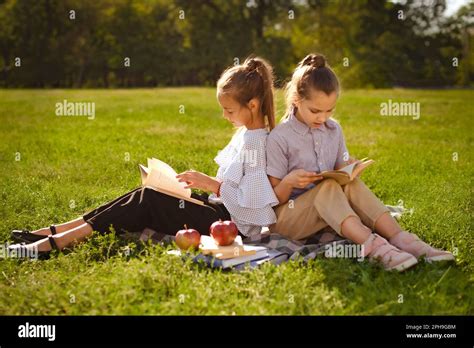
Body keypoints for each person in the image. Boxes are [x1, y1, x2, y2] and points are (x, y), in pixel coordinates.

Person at [9, 56, 279, 258]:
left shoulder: (257, 143)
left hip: (231, 225)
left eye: (229, 110)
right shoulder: (245, 134)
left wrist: (212, 185)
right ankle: (57, 231)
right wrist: (205, 189)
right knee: (147, 191)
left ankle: (55, 243)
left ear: (252, 105)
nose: (224, 116)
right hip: (217, 208)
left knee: (148, 200)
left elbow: (254, 210)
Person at [265, 53, 454, 272]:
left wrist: (348, 169)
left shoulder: (333, 129)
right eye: (315, 111)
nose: (322, 118)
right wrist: (289, 182)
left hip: (326, 212)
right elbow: (272, 201)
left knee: (349, 184)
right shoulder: (280, 137)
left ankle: (402, 239)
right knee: (327, 187)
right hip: (287, 221)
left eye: (329, 110)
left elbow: (338, 172)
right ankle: (374, 247)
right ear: (297, 101)